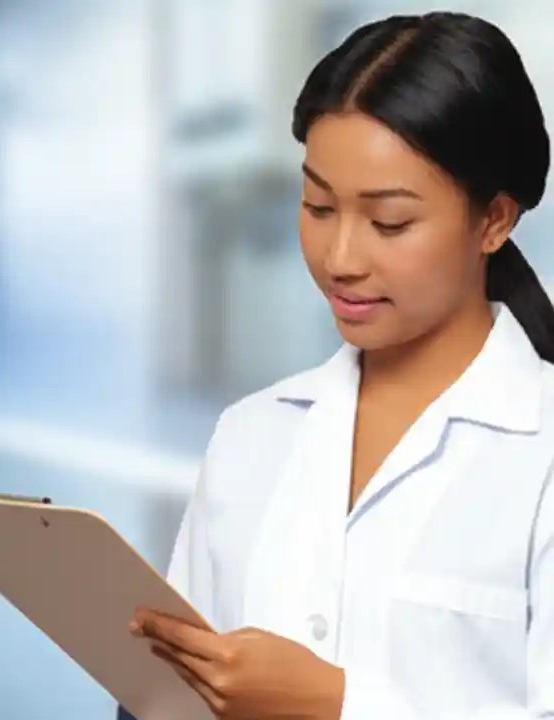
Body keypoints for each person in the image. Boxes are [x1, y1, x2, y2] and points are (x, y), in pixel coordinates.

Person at [122, 12, 554, 719]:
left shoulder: (542, 452)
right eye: (318, 206)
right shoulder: (251, 433)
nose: (341, 259)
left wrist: (332, 703)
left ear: (494, 221)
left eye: (390, 222)